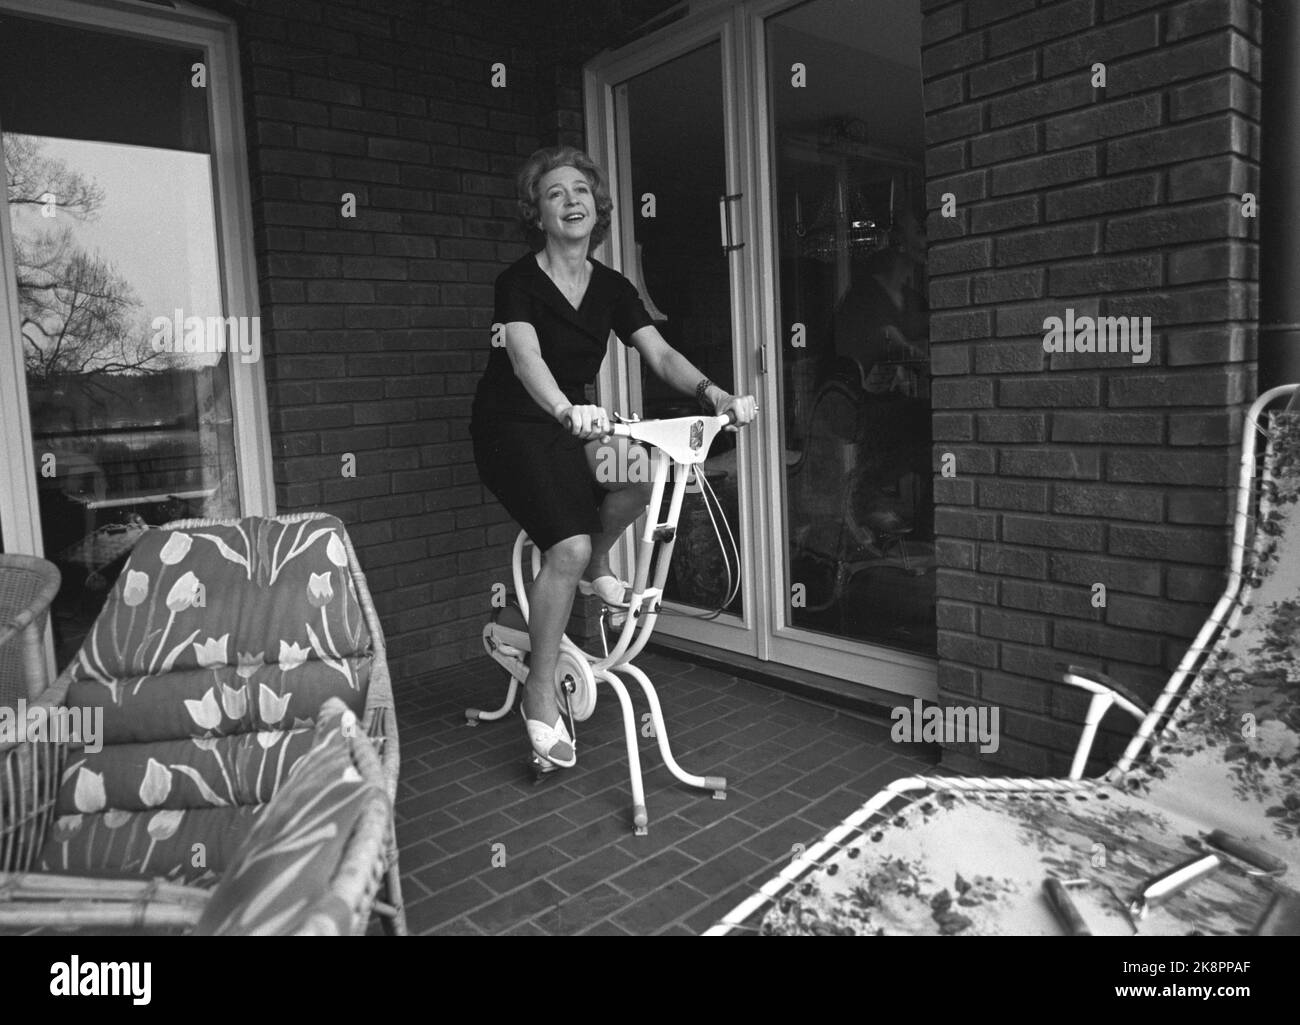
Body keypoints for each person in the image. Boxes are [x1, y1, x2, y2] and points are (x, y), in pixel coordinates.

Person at [470, 146, 758, 770]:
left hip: (571, 423)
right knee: (564, 547)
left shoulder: (612, 287)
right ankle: (540, 691)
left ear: (597, 209)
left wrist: (718, 394)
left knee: (641, 475)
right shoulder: (518, 282)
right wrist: (565, 410)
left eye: (581, 191)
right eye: (554, 193)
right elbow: (526, 359)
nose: (571, 200)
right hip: (514, 426)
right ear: (537, 213)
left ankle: (600, 555)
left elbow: (659, 355)